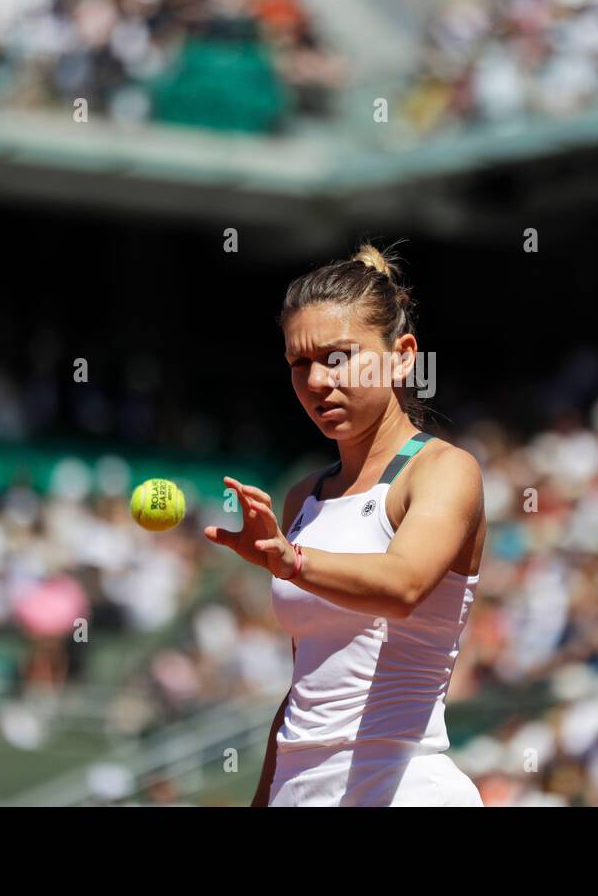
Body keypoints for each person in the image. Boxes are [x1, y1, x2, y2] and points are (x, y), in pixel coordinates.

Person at [205, 244, 486, 806]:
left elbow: (403, 585)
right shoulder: (301, 497)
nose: (315, 381)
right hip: (298, 789)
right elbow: (304, 690)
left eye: (338, 357)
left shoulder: (442, 469)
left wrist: (293, 561)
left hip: (403, 786)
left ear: (402, 356)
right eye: (298, 364)